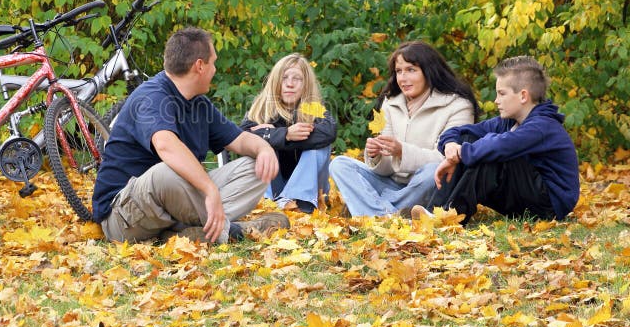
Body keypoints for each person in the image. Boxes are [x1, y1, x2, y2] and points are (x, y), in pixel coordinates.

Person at [92, 27, 290, 243]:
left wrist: (264, 149)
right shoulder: (151, 96)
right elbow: (165, 145)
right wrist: (209, 189)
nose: (215, 69)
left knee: (256, 166)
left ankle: (189, 232)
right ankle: (233, 230)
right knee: (164, 173)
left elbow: (240, 139)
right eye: (213, 62)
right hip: (123, 215)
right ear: (200, 66)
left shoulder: (199, 104)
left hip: (171, 209)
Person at [329, 41, 479, 217]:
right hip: (391, 184)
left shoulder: (458, 105)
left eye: (411, 70)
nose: (402, 78)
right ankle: (388, 214)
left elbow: (448, 159)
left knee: (433, 170)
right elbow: (386, 169)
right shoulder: (390, 102)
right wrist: (377, 155)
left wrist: (402, 151)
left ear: (429, 71)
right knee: (340, 164)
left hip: (429, 185)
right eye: (399, 71)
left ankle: (369, 207)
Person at [424, 56, 579, 224]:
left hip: (550, 205)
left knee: (490, 156)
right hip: (526, 194)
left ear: (523, 96)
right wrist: (451, 146)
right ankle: (435, 211)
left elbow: (501, 146)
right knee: (468, 139)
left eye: (502, 94)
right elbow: (461, 131)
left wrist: (462, 152)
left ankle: (450, 217)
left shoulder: (542, 126)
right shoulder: (508, 122)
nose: (496, 100)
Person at [240, 54, 337, 214]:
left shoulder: (313, 108)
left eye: (297, 79)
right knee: (261, 146)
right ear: (275, 81)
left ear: (306, 85)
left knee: (319, 147)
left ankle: (301, 203)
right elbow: (243, 137)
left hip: (309, 190)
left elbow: (328, 132)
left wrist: (274, 135)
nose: (290, 84)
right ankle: (270, 204)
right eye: (284, 78)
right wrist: (285, 135)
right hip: (271, 189)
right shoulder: (261, 109)